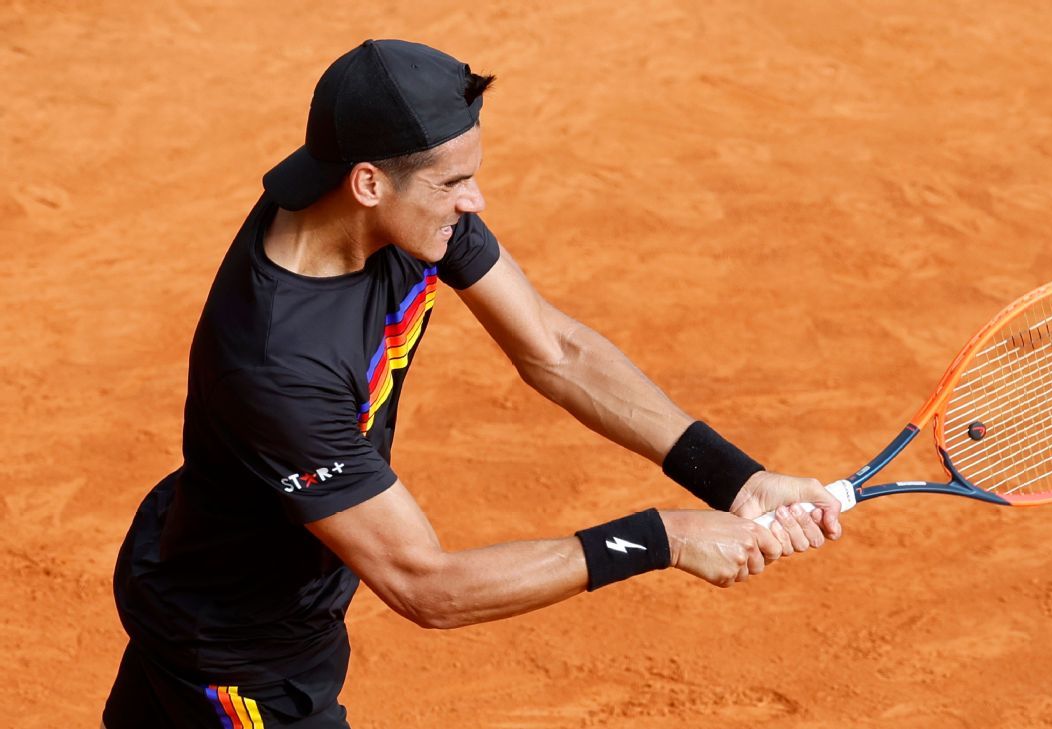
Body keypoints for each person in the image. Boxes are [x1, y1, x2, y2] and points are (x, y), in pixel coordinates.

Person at [102, 39, 844, 729]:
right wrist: (664, 538)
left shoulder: (401, 217)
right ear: (367, 182)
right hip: (241, 651)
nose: (475, 200)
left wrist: (733, 478)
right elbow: (428, 585)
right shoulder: (276, 365)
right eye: (453, 181)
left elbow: (555, 349)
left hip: (226, 571)